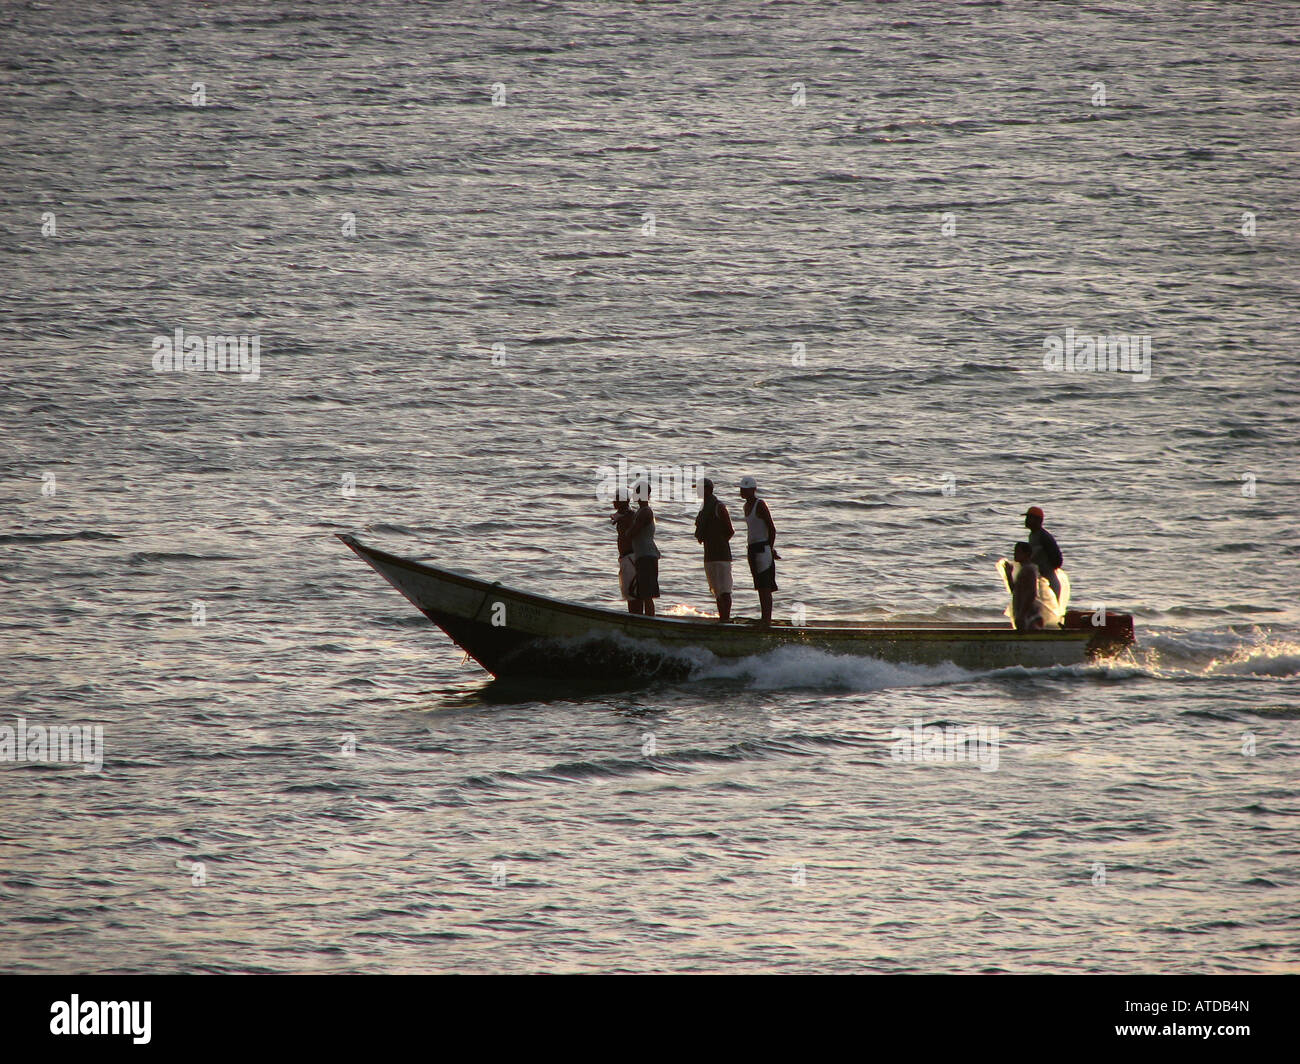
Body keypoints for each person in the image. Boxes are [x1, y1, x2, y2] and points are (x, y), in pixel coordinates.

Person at [739, 475, 779, 622]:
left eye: (746, 489)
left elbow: (772, 528)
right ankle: (764, 618)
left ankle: (766, 619)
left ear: (753, 490)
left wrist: (770, 548)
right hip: (752, 547)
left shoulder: (760, 505)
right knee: (759, 584)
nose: (742, 492)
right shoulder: (745, 506)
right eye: (742, 489)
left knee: (765, 586)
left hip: (763, 547)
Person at [694, 478, 734, 620]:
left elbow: (730, 531)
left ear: (708, 489)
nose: (698, 491)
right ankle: (722, 618)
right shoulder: (703, 508)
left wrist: (719, 542)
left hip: (721, 556)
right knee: (716, 591)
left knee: (724, 591)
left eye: (700, 488)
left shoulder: (719, 506)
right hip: (709, 556)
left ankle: (726, 619)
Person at [628, 479, 661, 616]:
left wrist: (626, 531)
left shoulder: (645, 512)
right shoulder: (639, 512)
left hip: (647, 556)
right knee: (642, 591)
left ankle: (650, 619)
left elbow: (632, 532)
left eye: (637, 492)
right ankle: (644, 617)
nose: (635, 495)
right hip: (642, 555)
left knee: (647, 593)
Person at [1002, 542, 1046, 631]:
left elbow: (1032, 593)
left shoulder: (1029, 569)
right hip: (1022, 611)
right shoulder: (1023, 569)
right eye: (1014, 551)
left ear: (1026, 554)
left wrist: (1022, 614)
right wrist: (1009, 574)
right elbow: (1014, 590)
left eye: (1018, 551)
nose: (1015, 554)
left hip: (1028, 613)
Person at [1023, 506, 1063, 600]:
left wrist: (1046, 568)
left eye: (1029, 518)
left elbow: (1058, 559)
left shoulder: (1044, 536)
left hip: (1049, 581)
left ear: (1038, 520)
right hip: (1042, 581)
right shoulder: (1033, 535)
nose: (1026, 520)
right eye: (1027, 518)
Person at [609, 489, 638, 614]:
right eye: (614, 498)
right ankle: (634, 616)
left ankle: (636, 617)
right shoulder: (622, 515)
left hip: (631, 557)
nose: (614, 502)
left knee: (633, 593)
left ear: (626, 500)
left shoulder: (631, 515)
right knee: (628, 592)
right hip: (625, 558)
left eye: (617, 499)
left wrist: (620, 517)